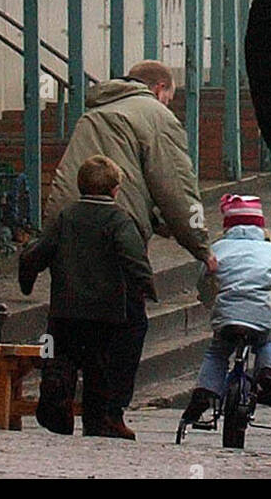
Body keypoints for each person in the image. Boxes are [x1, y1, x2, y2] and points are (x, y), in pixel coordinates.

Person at [44, 61, 216, 419]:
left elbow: (126, 184)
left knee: (69, 319)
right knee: (126, 326)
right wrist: (200, 245)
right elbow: (175, 189)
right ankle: (107, 413)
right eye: (169, 96)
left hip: (68, 227)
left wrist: (44, 245)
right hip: (117, 234)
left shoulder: (94, 114)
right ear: (159, 89)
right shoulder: (155, 116)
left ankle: (57, 390)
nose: (168, 104)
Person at [20, 155, 157, 439]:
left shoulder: (66, 216)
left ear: (80, 186)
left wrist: (28, 278)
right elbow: (133, 255)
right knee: (101, 369)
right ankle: (102, 418)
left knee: (61, 357)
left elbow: (39, 251)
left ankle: (58, 400)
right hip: (106, 313)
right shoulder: (119, 218)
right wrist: (146, 285)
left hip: (64, 311)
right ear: (115, 189)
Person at [180, 194, 271, 424]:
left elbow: (204, 281)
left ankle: (204, 392)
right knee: (265, 340)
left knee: (217, 352)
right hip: (260, 315)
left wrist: (209, 302)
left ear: (228, 226)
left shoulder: (216, 249)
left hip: (226, 315)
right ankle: (267, 375)